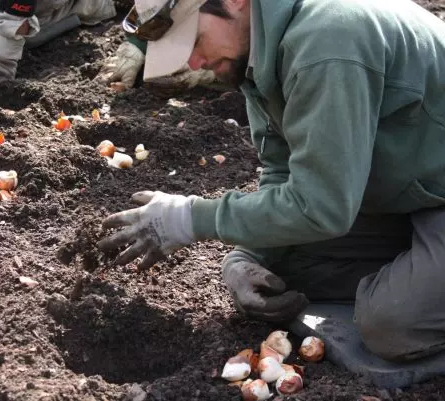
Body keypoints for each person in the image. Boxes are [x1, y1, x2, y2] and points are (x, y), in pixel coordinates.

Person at [96, 0, 445, 363]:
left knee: (393, 323)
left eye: (196, 41)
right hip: (417, 194)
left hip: (428, 198)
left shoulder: (326, 41)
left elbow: (320, 207)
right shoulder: (261, 50)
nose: (194, 63)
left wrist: (190, 218)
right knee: (277, 269)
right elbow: (285, 172)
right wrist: (248, 256)